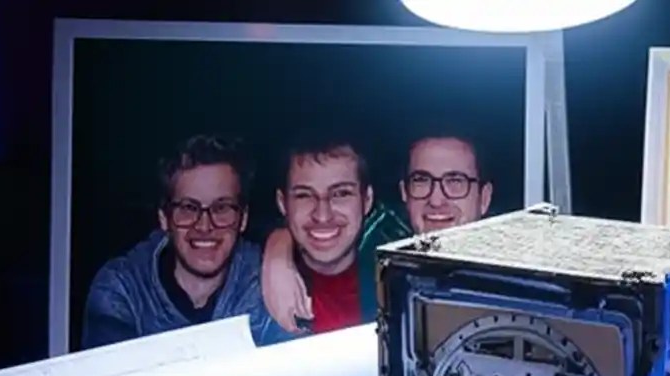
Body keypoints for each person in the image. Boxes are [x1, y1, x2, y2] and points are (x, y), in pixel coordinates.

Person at [260, 132, 492, 333]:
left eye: (456, 181)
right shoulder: (255, 282)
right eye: (304, 195)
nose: (437, 199)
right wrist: (277, 249)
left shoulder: (510, 275)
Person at [81, 134, 292, 349]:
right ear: (164, 217)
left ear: (243, 218)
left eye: (221, 208)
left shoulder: (268, 281)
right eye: (188, 208)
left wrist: (282, 251)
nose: (204, 226)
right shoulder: (123, 289)